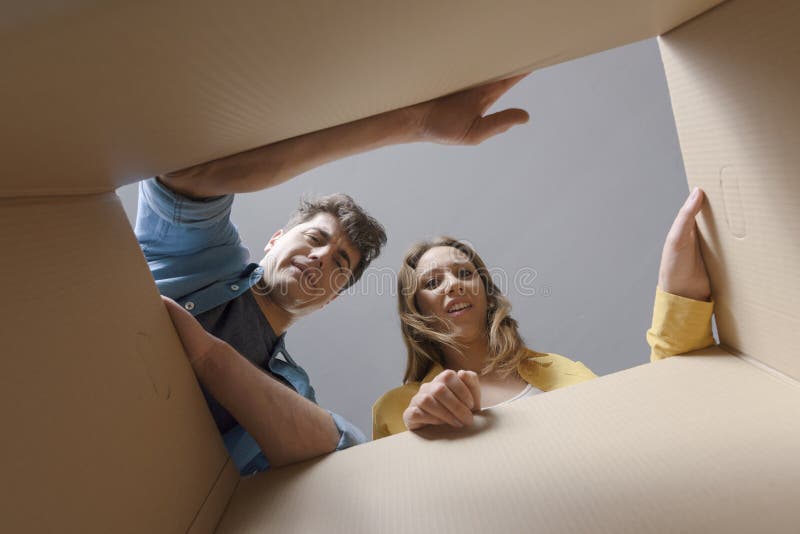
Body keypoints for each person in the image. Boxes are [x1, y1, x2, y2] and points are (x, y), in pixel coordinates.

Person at [139, 74, 531, 474]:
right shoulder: (202, 255)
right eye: (314, 237)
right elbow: (188, 172)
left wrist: (212, 359)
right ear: (274, 241)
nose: (322, 256)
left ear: (332, 296)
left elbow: (343, 461)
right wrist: (413, 122)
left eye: (341, 264)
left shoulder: (294, 392)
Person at [372, 188, 715, 439]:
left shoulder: (562, 369)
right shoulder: (395, 411)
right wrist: (422, 439)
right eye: (433, 282)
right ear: (416, 312)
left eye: (464, 273)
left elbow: (644, 423)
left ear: (486, 294)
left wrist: (678, 290)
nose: (453, 285)